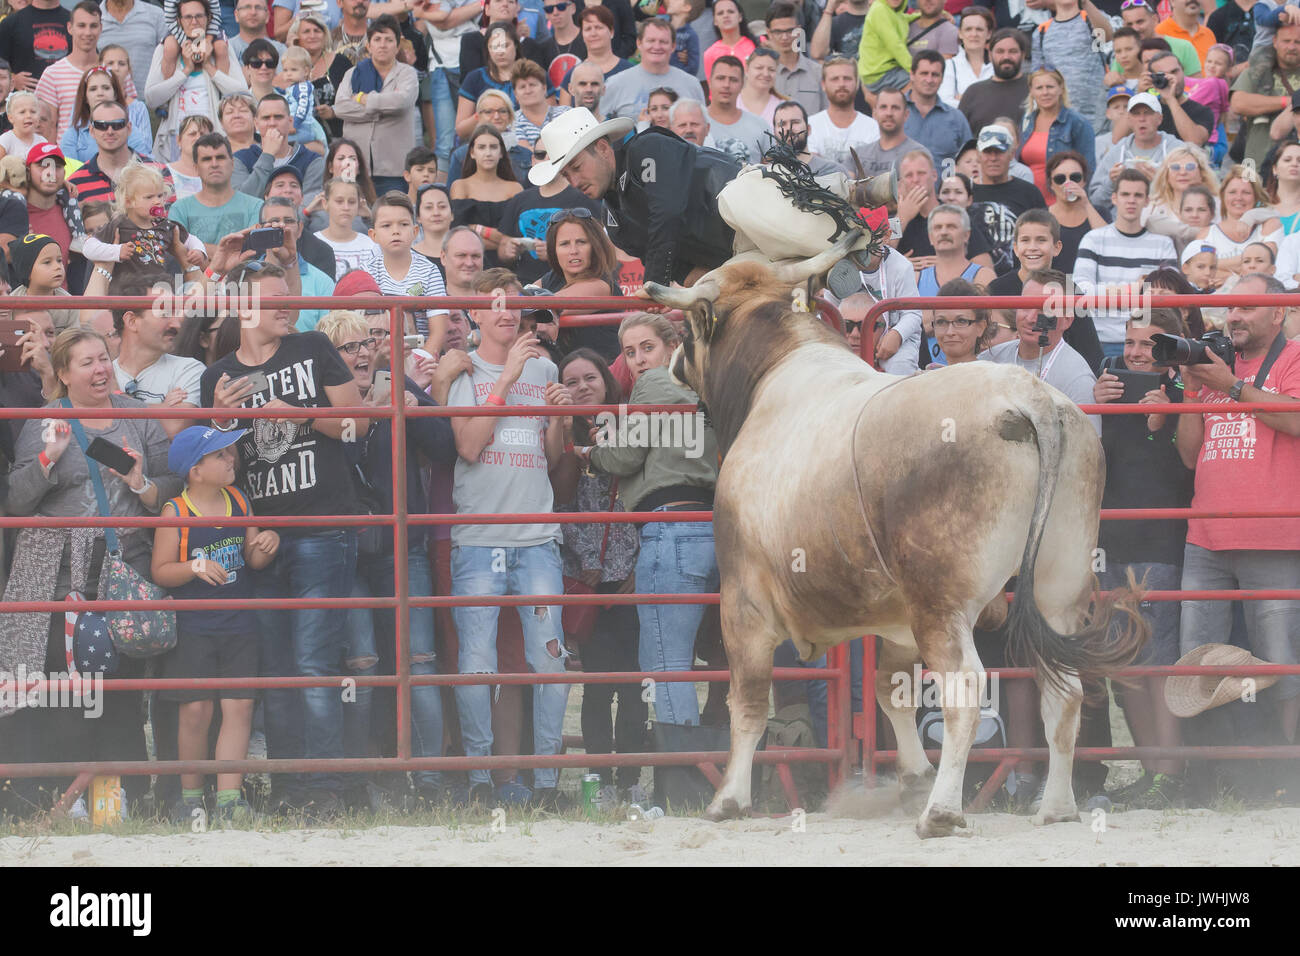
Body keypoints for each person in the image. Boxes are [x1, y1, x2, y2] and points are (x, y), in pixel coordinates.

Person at [200, 259, 367, 817]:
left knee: (314, 662)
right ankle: (291, 787)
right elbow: (216, 468)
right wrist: (217, 421)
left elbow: (357, 425)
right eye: (273, 300)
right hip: (261, 533)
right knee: (276, 667)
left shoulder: (315, 346)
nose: (286, 306)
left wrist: (297, 414)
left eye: (287, 295)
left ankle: (324, 788)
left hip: (323, 526)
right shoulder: (217, 375)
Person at [1, 327, 180, 814]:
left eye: (103, 358)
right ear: (62, 374)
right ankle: (56, 798)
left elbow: (171, 489)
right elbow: (14, 504)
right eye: (86, 362)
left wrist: (142, 484)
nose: (100, 369)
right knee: (63, 691)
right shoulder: (43, 421)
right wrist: (47, 458)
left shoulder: (138, 416)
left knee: (119, 691)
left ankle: (120, 798)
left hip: (125, 575)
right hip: (60, 582)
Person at [318, 307, 458, 807]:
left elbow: (446, 447)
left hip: (404, 547)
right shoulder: (320, 398)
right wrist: (366, 414)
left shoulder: (395, 381)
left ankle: (432, 781)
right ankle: (357, 781)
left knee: (419, 663)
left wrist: (412, 408)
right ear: (328, 358)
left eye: (368, 342)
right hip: (347, 549)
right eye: (349, 347)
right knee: (362, 663)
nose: (362, 353)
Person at [446, 267, 574, 810]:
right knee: (476, 663)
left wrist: (562, 420)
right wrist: (504, 381)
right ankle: (480, 779)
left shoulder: (544, 365)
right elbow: (470, 446)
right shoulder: (461, 371)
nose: (505, 312)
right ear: (475, 313)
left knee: (550, 662)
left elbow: (550, 457)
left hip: (538, 535)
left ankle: (546, 783)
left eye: (513, 304)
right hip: (478, 537)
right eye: (493, 303)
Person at [1176, 273, 1300, 744]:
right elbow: (1189, 455)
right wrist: (1191, 389)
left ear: (1278, 312)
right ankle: (1206, 769)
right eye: (1230, 308)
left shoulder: (1293, 355)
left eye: (1246, 307)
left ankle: (1287, 763)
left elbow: (1293, 418)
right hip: (1205, 535)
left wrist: (1230, 387)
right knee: (1193, 659)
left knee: (1280, 657)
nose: (1233, 316)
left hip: (1274, 533)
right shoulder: (1214, 365)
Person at [578, 312, 718, 729]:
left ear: (672, 346)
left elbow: (626, 455)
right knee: (687, 655)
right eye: (629, 352)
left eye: (647, 347)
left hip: (670, 526)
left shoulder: (654, 383)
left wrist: (592, 454)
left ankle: (682, 773)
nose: (639, 359)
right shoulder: (706, 382)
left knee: (663, 660)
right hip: (710, 524)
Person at [1091, 307, 1194, 808]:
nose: (1135, 352)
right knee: (1125, 666)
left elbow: (1188, 466)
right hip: (1110, 543)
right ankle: (1151, 770)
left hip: (1158, 545)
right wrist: (1096, 407)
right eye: (1129, 342)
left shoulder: (1184, 395)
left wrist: (1167, 418)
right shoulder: (1107, 389)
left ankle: (1170, 776)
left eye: (1149, 343)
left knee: (1158, 666)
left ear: (1171, 350)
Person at [152, 425, 279, 824]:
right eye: (220, 455)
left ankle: (229, 800)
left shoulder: (240, 500)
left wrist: (267, 543)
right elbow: (160, 571)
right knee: (195, 711)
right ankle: (190, 798)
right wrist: (192, 566)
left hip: (239, 623)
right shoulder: (175, 511)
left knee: (239, 707)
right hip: (194, 627)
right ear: (195, 470)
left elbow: (252, 560)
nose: (231, 460)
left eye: (230, 453)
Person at [556, 346, 645, 804]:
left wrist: (638, 565)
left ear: (605, 382)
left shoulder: (629, 428)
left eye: (589, 377)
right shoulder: (559, 435)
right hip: (585, 580)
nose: (581, 387)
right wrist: (582, 562)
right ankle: (597, 784)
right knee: (595, 687)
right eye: (570, 381)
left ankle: (630, 782)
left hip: (627, 576)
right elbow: (560, 504)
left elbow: (644, 499)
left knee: (633, 686)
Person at [981, 267, 1100, 433]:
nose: (1030, 318)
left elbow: (1089, 449)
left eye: (1044, 310)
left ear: (1066, 320)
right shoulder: (989, 360)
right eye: (1025, 306)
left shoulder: (1078, 379)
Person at [1074, 168, 1176, 360]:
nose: (1131, 200)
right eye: (1125, 194)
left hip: (1148, 341)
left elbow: (1168, 294)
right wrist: (1134, 289)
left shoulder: (1163, 244)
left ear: (1147, 201)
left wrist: (1107, 292)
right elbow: (1081, 290)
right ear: (1114, 198)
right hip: (1099, 340)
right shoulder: (1093, 239)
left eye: (1138, 195)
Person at [144, 0, 247, 164]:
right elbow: (151, 99)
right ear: (179, 20)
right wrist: (185, 71)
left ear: (208, 18)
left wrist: (208, 66)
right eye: (188, 17)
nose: (194, 22)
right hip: (176, 141)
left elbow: (242, 94)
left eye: (199, 16)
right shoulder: (166, 49)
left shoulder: (220, 48)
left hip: (214, 140)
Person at [330, 17, 419, 196]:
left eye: (388, 40)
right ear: (369, 46)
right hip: (356, 166)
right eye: (377, 40)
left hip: (394, 167)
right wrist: (380, 110)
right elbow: (340, 108)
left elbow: (401, 102)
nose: (383, 45)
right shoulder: (353, 74)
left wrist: (363, 98)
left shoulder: (407, 73)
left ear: (397, 45)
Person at [493, 141, 602, 282]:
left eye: (552, 155)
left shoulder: (584, 198)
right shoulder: (519, 200)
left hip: (570, 285)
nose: (546, 160)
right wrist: (508, 251)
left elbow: (600, 249)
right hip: (525, 288)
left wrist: (555, 253)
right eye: (540, 155)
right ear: (533, 161)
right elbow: (503, 248)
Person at [362, 192, 450, 341]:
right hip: (378, 355)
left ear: (415, 231)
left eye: (403, 224)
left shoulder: (430, 271)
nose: (396, 231)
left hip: (420, 355)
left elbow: (438, 331)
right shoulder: (366, 272)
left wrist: (424, 357)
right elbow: (362, 326)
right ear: (373, 235)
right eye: (386, 225)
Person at [169, 132, 262, 258]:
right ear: (196, 168)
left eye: (220, 157)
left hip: (246, 277)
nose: (214, 164)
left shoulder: (256, 206)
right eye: (207, 159)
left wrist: (198, 247)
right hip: (196, 278)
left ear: (232, 163)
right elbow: (179, 253)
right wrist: (230, 250)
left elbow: (252, 253)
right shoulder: (179, 209)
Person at [33, 1, 113, 143]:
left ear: (101, 28)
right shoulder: (53, 74)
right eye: (81, 26)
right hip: (67, 159)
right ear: (70, 28)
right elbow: (47, 127)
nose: (87, 33)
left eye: (93, 26)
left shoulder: (113, 71)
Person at [971, 124, 1045, 274]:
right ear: (978, 155)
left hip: (1021, 279)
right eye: (987, 152)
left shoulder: (1029, 193)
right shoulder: (965, 192)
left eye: (999, 152)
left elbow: (1045, 237)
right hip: (974, 280)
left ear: (1011, 154)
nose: (993, 158)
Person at [1089, 91, 1180, 213]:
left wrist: (1159, 183)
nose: (1142, 119)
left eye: (1147, 113)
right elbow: (1096, 202)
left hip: (1165, 223)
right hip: (1123, 225)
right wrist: (1111, 182)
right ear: (1129, 120)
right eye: (1136, 114)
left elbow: (1191, 196)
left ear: (1159, 118)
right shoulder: (1117, 151)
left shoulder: (1176, 150)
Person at [65, 100, 170, 205]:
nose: (110, 131)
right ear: (91, 131)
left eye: (117, 125)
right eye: (101, 125)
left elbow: (170, 218)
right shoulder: (75, 183)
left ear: (129, 128)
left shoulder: (160, 172)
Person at [1026, 0, 1109, 132]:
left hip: (1097, 114)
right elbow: (1037, 78)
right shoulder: (1041, 32)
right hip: (1060, 119)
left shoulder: (1090, 19)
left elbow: (1106, 38)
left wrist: (1086, 3)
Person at [598, 18, 703, 121]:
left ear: (673, 46)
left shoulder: (691, 84)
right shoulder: (616, 84)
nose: (657, 46)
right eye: (651, 41)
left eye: (663, 42)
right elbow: (600, 126)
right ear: (639, 43)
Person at [449, 123, 524, 263]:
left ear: (501, 152)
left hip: (508, 265)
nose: (488, 153)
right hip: (469, 264)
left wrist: (476, 229)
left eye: (493, 147)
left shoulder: (515, 188)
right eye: (482, 147)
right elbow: (458, 233)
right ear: (472, 152)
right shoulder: (460, 186)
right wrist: (500, 239)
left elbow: (516, 239)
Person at [232, 93, 326, 202]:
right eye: (266, 118)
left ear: (290, 122)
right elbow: (243, 201)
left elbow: (310, 206)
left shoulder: (312, 160)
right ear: (256, 124)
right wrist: (267, 155)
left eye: (278, 117)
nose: (272, 123)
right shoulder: (240, 159)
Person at [1231, 21, 1300, 167]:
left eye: (1297, 42)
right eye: (1286, 41)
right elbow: (1238, 103)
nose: (1292, 47)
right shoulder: (1257, 71)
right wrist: (1289, 101)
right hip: (1256, 161)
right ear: (1275, 42)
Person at [1018, 68, 1092, 201]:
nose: (1045, 92)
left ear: (1061, 88)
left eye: (1050, 87)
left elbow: (1088, 169)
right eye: (1039, 88)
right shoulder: (1026, 121)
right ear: (1032, 91)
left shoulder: (1078, 122)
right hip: (1029, 201)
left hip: (1064, 201)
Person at [1196, 166, 1277, 283]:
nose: (1239, 198)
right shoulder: (1206, 234)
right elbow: (1199, 272)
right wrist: (1239, 276)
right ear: (1223, 196)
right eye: (1232, 192)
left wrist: (1213, 265)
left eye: (1246, 192)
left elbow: (1265, 263)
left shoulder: (1269, 226)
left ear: (1256, 196)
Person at [806, 53, 880, 170]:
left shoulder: (873, 128)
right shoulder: (810, 125)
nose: (841, 84)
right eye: (835, 79)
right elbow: (813, 169)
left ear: (857, 83)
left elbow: (873, 171)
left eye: (847, 78)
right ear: (823, 85)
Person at [904, 50, 971, 171]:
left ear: (942, 78)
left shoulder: (956, 119)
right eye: (924, 73)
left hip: (944, 188)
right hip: (900, 189)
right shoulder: (894, 112)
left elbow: (969, 161)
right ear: (912, 75)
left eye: (935, 75)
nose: (929, 80)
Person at [958, 27, 1029, 135]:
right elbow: (960, 135)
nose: (1006, 57)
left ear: (1023, 55)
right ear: (990, 55)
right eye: (1000, 51)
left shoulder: (1036, 89)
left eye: (1013, 51)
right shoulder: (973, 92)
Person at [1045, 150, 1107, 273]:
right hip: (1055, 285)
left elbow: (1108, 244)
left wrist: (1086, 203)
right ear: (1051, 184)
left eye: (1075, 177)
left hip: (1091, 285)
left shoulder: (1099, 212)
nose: (1068, 183)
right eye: (1060, 179)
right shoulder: (1042, 217)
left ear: (1084, 181)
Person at [917, 203, 995, 297]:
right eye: (938, 227)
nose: (943, 232)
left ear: (966, 235)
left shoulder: (983, 276)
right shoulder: (916, 279)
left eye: (951, 227)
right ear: (930, 237)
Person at [705, 55, 771, 165]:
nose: (726, 85)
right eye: (720, 78)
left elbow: (771, 173)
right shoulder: (694, 123)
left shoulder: (760, 127)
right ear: (709, 81)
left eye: (733, 80)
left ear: (742, 84)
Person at [852, 87, 927, 177]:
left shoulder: (919, 155)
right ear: (874, 113)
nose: (889, 113)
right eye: (883, 107)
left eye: (895, 108)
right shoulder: (857, 155)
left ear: (906, 114)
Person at [100, 0, 169, 97]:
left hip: (150, 104)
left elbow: (169, 59)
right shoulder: (94, 18)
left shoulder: (156, 14)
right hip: (105, 104)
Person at [767, 1, 824, 117]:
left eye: (789, 31)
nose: (784, 37)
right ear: (769, 33)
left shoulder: (819, 73)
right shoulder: (761, 75)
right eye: (778, 31)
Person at [1119, 1, 1201, 80]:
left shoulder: (1184, 47)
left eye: (1140, 22)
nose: (1135, 28)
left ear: (1155, 19)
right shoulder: (1124, 52)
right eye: (1129, 24)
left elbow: (1198, 86)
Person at [315, 177, 379, 278]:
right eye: (339, 201)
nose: (346, 207)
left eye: (352, 202)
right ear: (325, 203)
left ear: (359, 205)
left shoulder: (370, 246)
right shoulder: (314, 243)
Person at [856, 0, 916, 103]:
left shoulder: (893, 12)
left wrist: (921, 15)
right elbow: (895, 45)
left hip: (885, 70)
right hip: (879, 73)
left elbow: (903, 18)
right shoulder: (879, 9)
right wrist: (914, 69)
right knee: (920, 82)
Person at [0, 0, 69, 89]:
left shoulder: (75, 22)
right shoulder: (10, 23)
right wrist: (12, 79)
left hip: (67, 95)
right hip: (25, 98)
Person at [927, 277, 994, 366]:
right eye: (941, 322)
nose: (949, 332)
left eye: (961, 321)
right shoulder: (925, 377)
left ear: (980, 327)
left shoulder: (993, 377)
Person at [773, 99, 849, 175]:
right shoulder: (767, 176)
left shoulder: (834, 172)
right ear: (774, 133)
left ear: (808, 129)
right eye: (782, 124)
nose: (789, 128)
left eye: (795, 122)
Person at [939, 5, 993, 109]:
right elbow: (944, 103)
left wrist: (964, 99)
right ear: (960, 33)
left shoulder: (997, 65)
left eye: (979, 29)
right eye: (968, 29)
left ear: (989, 34)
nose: (974, 34)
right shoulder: (949, 65)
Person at [511, 57, 567, 145]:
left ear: (544, 88)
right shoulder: (511, 121)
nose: (528, 90)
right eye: (522, 87)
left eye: (532, 85)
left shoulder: (565, 113)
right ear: (515, 94)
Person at [159, 114, 213, 200]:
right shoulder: (162, 174)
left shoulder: (218, 173)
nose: (198, 138)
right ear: (179, 140)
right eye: (192, 134)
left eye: (203, 134)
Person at [702, 0, 755, 81]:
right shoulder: (710, 53)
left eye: (730, 12)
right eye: (720, 13)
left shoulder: (756, 44)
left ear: (740, 17)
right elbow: (712, 90)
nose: (726, 16)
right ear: (715, 21)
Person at [738, 47, 783, 128]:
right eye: (759, 68)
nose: (766, 74)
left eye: (771, 69)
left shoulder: (783, 106)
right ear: (747, 70)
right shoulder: (732, 103)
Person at [228, 0, 284, 64]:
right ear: (236, 15)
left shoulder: (280, 51)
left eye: (258, 7)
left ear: (267, 16)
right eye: (247, 7)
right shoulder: (226, 50)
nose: (253, 12)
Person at [412, 181, 453, 266]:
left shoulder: (468, 253)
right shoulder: (408, 257)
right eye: (428, 207)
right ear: (418, 217)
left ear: (452, 214)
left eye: (442, 206)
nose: (436, 213)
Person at [0, 91, 44, 163]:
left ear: (39, 116)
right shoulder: (5, 141)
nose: (28, 115)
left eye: (33, 111)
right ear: (10, 118)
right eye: (22, 112)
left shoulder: (42, 142)